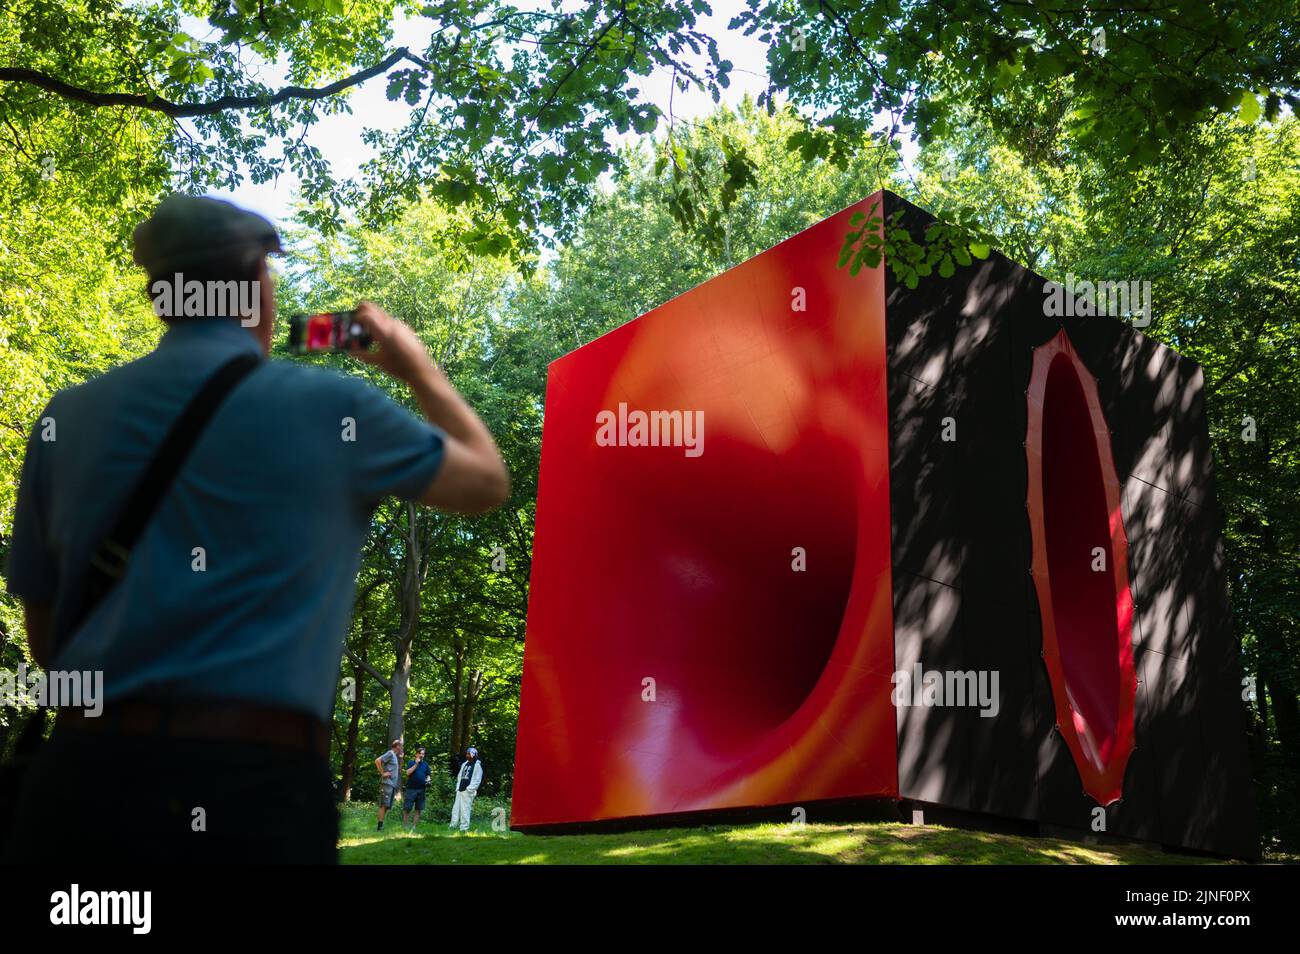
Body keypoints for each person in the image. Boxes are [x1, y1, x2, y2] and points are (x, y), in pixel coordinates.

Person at [0, 195, 510, 864]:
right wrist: (414, 365)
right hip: (254, 797)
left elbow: (46, 645)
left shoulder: (65, 418)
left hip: (81, 785)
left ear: (162, 298)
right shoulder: (335, 406)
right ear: (260, 296)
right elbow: (485, 482)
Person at [449, 746, 483, 833]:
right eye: (467, 753)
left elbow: (477, 780)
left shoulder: (477, 766)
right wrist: (458, 788)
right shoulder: (465, 764)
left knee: (465, 810)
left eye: (469, 754)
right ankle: (453, 825)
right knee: (456, 809)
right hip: (460, 790)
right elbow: (460, 776)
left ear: (474, 755)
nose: (467, 755)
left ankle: (464, 828)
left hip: (468, 791)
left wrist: (469, 789)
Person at [375, 740, 403, 832]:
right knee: (383, 805)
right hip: (387, 784)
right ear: (397, 746)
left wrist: (401, 759)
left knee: (386, 806)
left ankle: (380, 825)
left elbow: (399, 770)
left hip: (391, 785)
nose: (401, 748)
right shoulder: (390, 753)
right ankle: (379, 828)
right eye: (401, 746)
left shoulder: (394, 756)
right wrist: (383, 773)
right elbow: (377, 761)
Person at [402, 745, 432, 830]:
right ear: (416, 754)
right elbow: (408, 773)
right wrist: (416, 764)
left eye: (423, 754)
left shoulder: (425, 765)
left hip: (421, 790)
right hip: (411, 789)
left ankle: (414, 827)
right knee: (407, 808)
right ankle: (405, 826)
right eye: (420, 753)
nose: (422, 755)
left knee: (418, 809)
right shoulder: (411, 762)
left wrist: (428, 780)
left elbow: (428, 775)